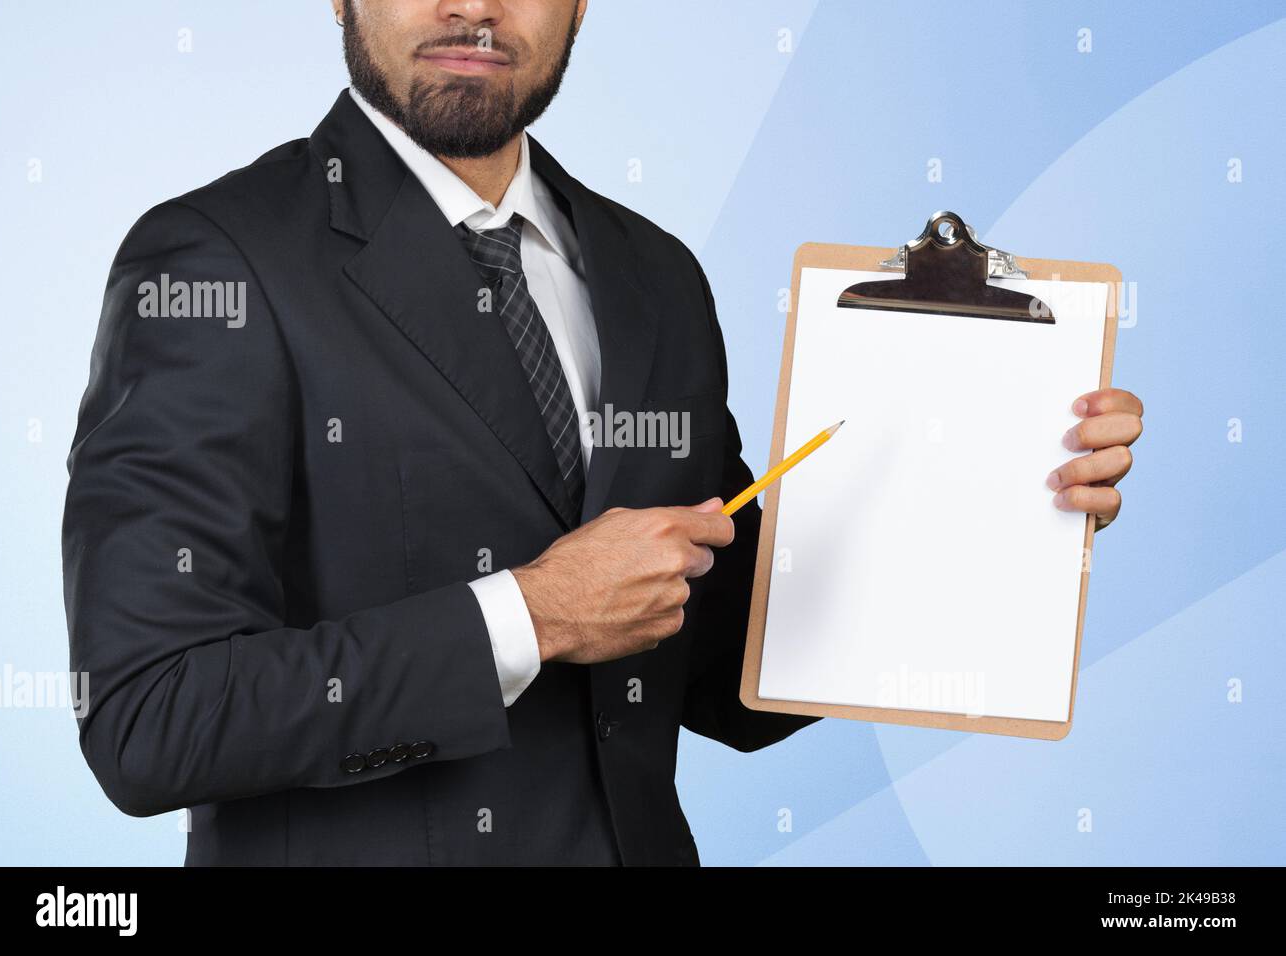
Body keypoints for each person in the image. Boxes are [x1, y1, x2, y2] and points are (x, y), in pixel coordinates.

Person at [62, 0, 1144, 865]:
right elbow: (152, 717)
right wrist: (530, 614)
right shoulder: (213, 261)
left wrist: (1002, 496)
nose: (473, 8)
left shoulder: (652, 275)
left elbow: (730, 667)